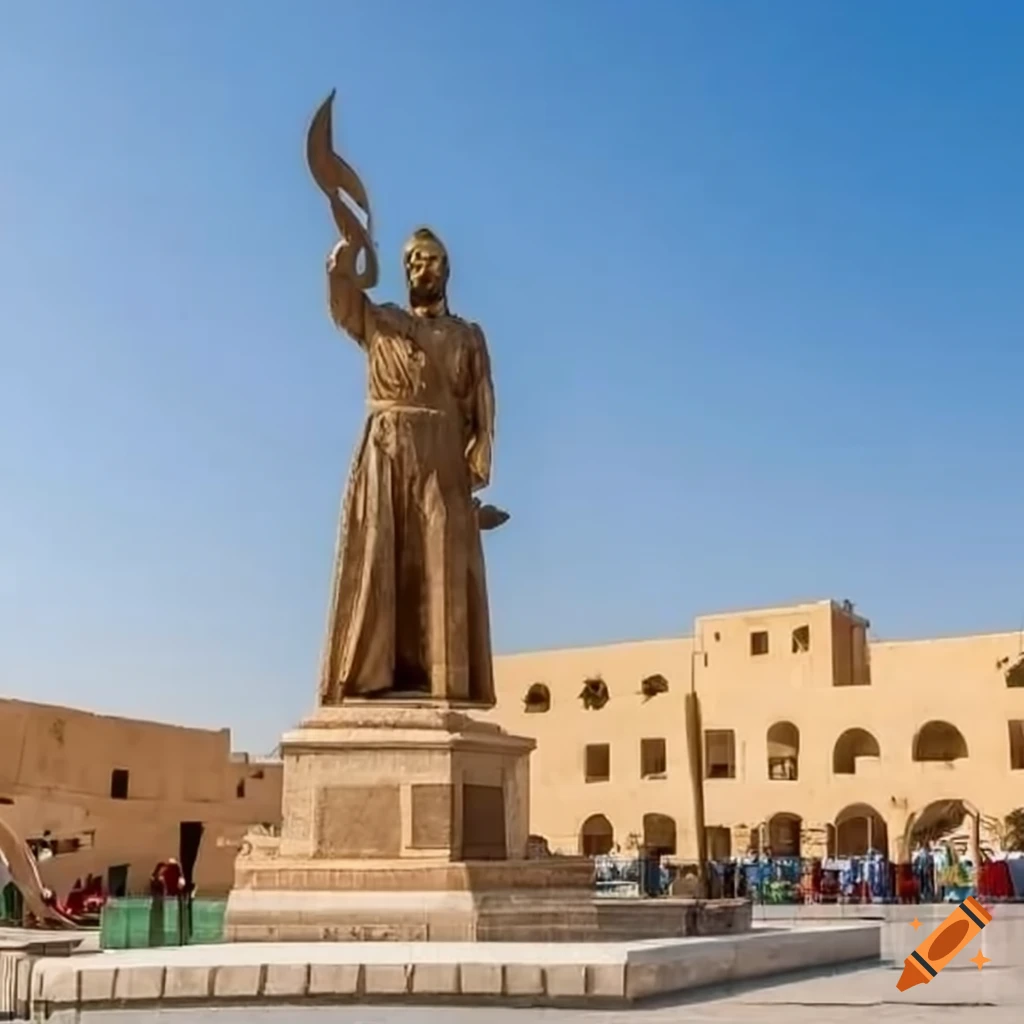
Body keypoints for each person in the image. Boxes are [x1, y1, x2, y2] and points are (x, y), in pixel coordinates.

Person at [317, 226, 499, 704]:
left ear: (447, 269)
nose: (423, 269)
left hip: (442, 452)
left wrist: (477, 461)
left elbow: (482, 401)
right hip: (386, 450)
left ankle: (442, 683)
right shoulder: (383, 321)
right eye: (415, 262)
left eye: (432, 260)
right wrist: (345, 256)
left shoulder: (467, 336)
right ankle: (370, 676)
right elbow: (343, 304)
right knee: (379, 557)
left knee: (440, 563)